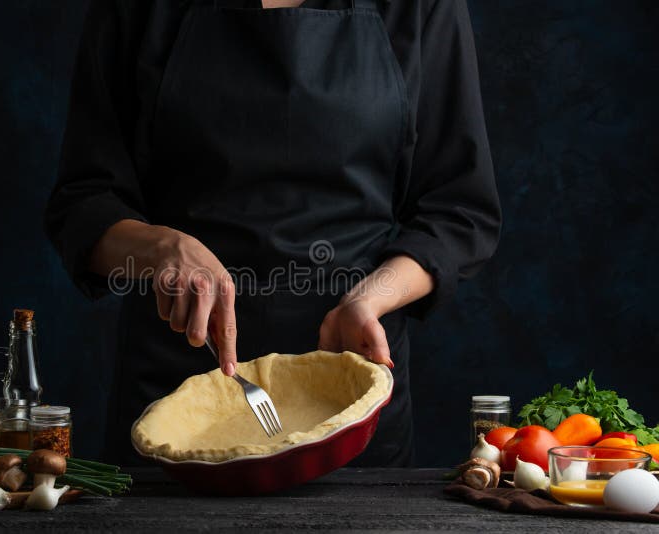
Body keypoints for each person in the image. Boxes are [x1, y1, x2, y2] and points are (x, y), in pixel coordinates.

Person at [45, 0, 501, 466]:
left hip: (352, 397)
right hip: (175, 393)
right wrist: (161, 247)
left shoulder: (421, 7)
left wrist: (372, 298)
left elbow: (458, 209)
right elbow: (83, 202)